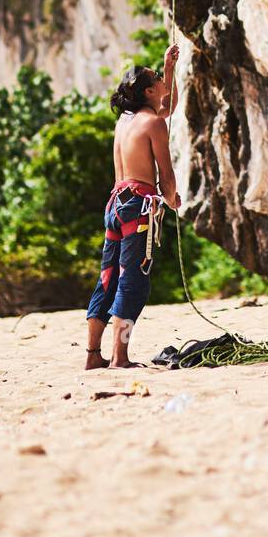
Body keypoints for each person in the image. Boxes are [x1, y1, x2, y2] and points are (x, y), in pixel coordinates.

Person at [84, 45, 182, 370]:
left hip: (115, 204)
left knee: (108, 277)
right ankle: (120, 358)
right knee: (133, 281)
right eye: (156, 77)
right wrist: (172, 198)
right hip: (137, 205)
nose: (160, 77)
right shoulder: (154, 124)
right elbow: (165, 176)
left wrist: (169, 69)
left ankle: (93, 355)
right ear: (148, 91)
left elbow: (167, 106)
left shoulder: (126, 121)